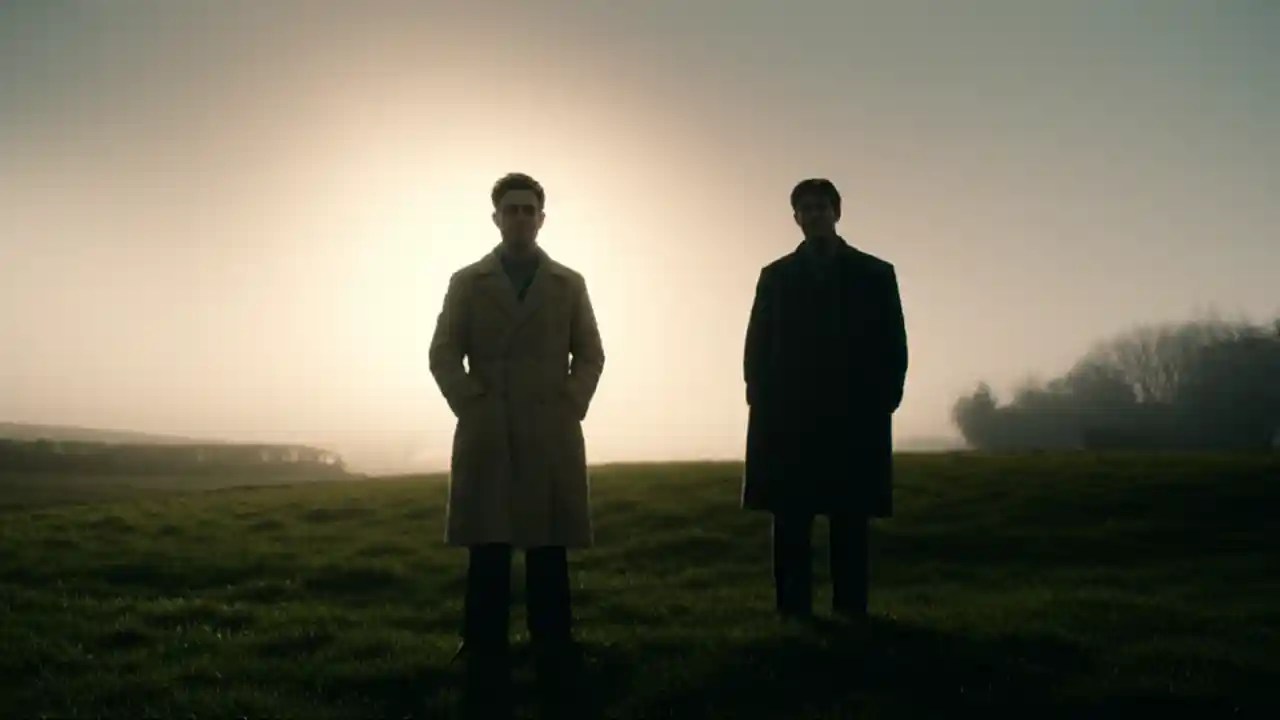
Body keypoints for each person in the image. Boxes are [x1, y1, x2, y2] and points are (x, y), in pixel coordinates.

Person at [428, 172, 605, 681]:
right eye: (512, 209)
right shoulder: (468, 281)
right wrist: (470, 404)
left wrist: (570, 402)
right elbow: (443, 352)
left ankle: (554, 644)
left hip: (550, 426)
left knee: (549, 543)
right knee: (488, 543)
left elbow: (590, 353)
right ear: (496, 218)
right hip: (490, 425)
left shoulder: (568, 283)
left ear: (542, 219)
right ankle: (483, 647)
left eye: (530, 210)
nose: (521, 218)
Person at [741, 177, 908, 622]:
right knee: (790, 518)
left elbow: (893, 342)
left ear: (837, 212)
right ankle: (793, 611)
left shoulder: (875, 274)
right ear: (795, 217)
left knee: (850, 517)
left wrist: (885, 398)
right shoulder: (775, 276)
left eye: (822, 207)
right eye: (807, 208)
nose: (815, 215)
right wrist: (759, 396)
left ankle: (851, 610)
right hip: (789, 416)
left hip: (854, 414)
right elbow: (757, 343)